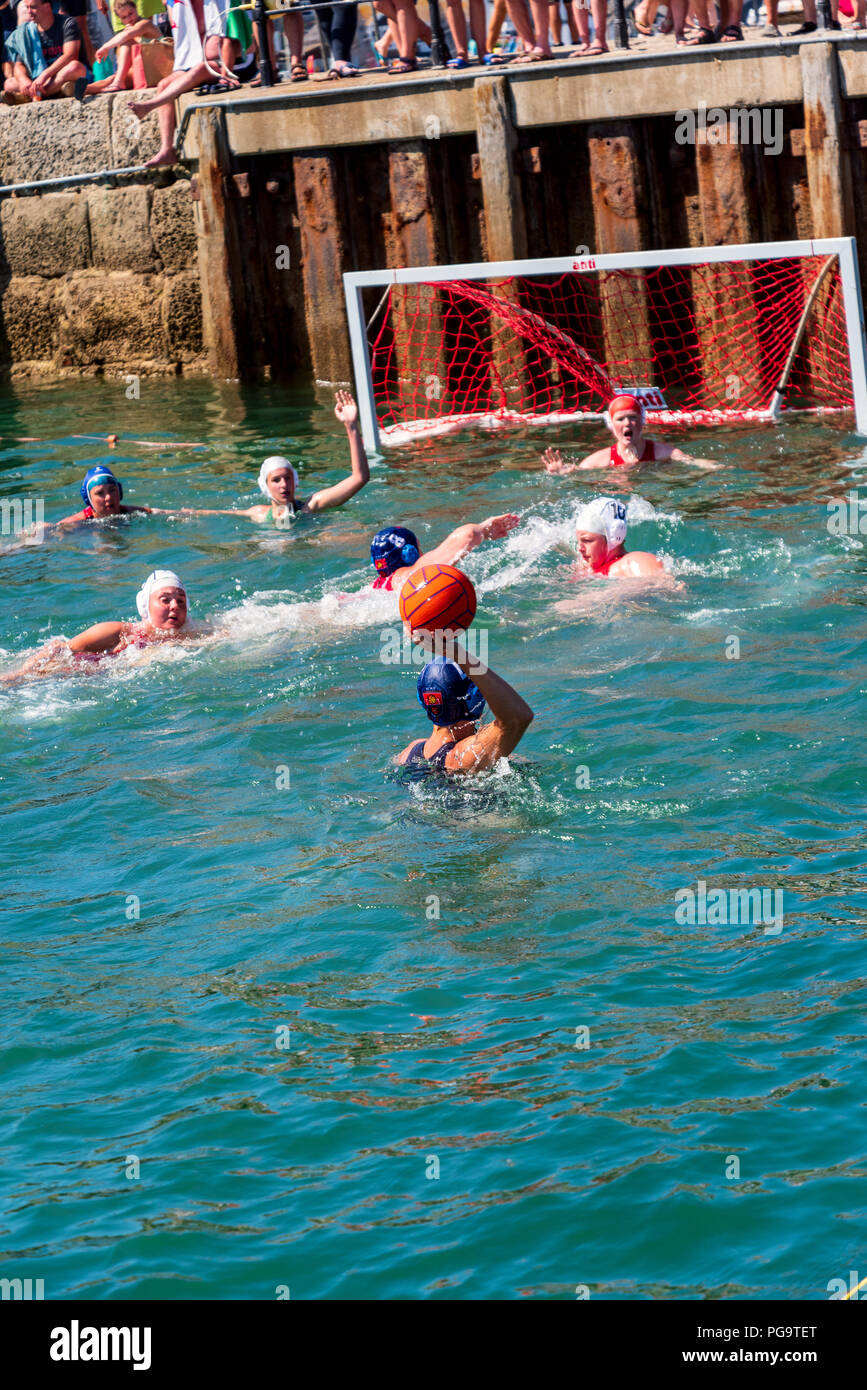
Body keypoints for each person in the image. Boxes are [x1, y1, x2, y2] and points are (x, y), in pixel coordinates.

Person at [1, 570, 208, 683]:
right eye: (165, 600)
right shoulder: (120, 632)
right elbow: (59, 649)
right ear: (146, 606)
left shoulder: (192, 633)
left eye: (181, 601)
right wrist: (19, 674)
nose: (175, 606)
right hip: (66, 675)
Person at [207, 390, 369, 526]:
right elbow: (214, 514)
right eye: (276, 480)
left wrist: (351, 426)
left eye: (288, 478)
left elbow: (360, 478)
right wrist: (190, 513)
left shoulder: (311, 507)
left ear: (296, 480)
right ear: (264, 486)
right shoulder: (258, 513)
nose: (284, 485)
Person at [130, 0, 237, 168]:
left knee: (200, 68)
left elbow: (230, 38)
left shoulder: (219, 3)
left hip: (220, 63)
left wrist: (227, 74)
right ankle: (167, 150)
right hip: (192, 61)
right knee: (163, 85)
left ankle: (150, 105)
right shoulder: (180, 5)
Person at [395, 650, 533, 775]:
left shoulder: (410, 752)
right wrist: (458, 653)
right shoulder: (464, 756)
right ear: (475, 698)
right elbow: (518, 718)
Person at [542, 393, 719, 472]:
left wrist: (716, 467)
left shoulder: (664, 452)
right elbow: (577, 473)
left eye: (633, 417)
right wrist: (562, 471)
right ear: (611, 425)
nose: (627, 423)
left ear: (642, 422)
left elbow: (692, 462)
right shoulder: (599, 460)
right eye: (620, 419)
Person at [368, 512, 520, 592]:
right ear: (410, 553)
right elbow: (468, 535)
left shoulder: (374, 588)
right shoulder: (409, 575)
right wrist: (484, 529)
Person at [1, 0, 87, 103]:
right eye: (27, 7)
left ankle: (30, 96)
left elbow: (70, 56)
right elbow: (19, 65)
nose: (29, 12)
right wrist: (24, 80)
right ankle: (52, 92)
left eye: (33, 7)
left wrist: (44, 75)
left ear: (47, 7)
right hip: (38, 81)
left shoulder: (67, 23)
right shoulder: (26, 32)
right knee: (9, 84)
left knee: (75, 67)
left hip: (57, 76)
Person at [573, 495, 666, 579]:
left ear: (613, 537)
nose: (579, 548)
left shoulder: (632, 562)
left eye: (587, 541)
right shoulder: (585, 568)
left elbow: (664, 582)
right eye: (579, 541)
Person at [89, 0, 173, 92]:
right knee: (110, 79)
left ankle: (118, 82)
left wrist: (105, 47)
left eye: (131, 13)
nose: (129, 18)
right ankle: (85, 89)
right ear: (120, 19)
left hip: (158, 69)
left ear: (136, 9)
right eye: (124, 17)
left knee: (127, 41)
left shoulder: (145, 23)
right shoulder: (128, 30)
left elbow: (127, 35)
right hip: (141, 71)